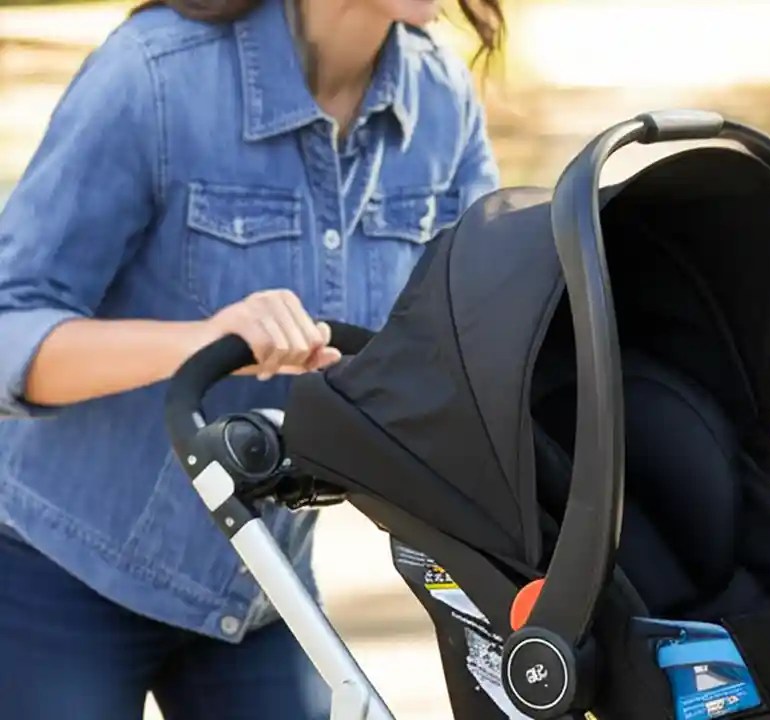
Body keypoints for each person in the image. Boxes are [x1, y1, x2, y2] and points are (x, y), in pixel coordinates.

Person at [0, 0, 502, 716]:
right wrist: (204, 344)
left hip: (258, 583)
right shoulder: (154, 76)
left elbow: (472, 342)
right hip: (63, 571)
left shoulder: (442, 103)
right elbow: (12, 326)